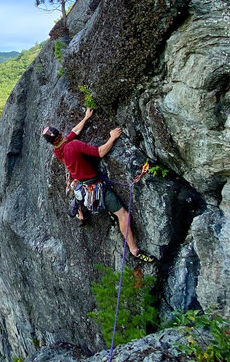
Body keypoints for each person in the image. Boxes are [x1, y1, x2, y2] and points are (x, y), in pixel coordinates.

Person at [42, 108, 155, 263]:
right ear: (59, 134)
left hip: (81, 186)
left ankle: (80, 212)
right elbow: (100, 152)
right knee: (123, 215)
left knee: (77, 193)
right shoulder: (73, 145)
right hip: (96, 187)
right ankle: (134, 250)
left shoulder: (58, 150)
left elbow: (74, 131)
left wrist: (86, 118)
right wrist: (112, 137)